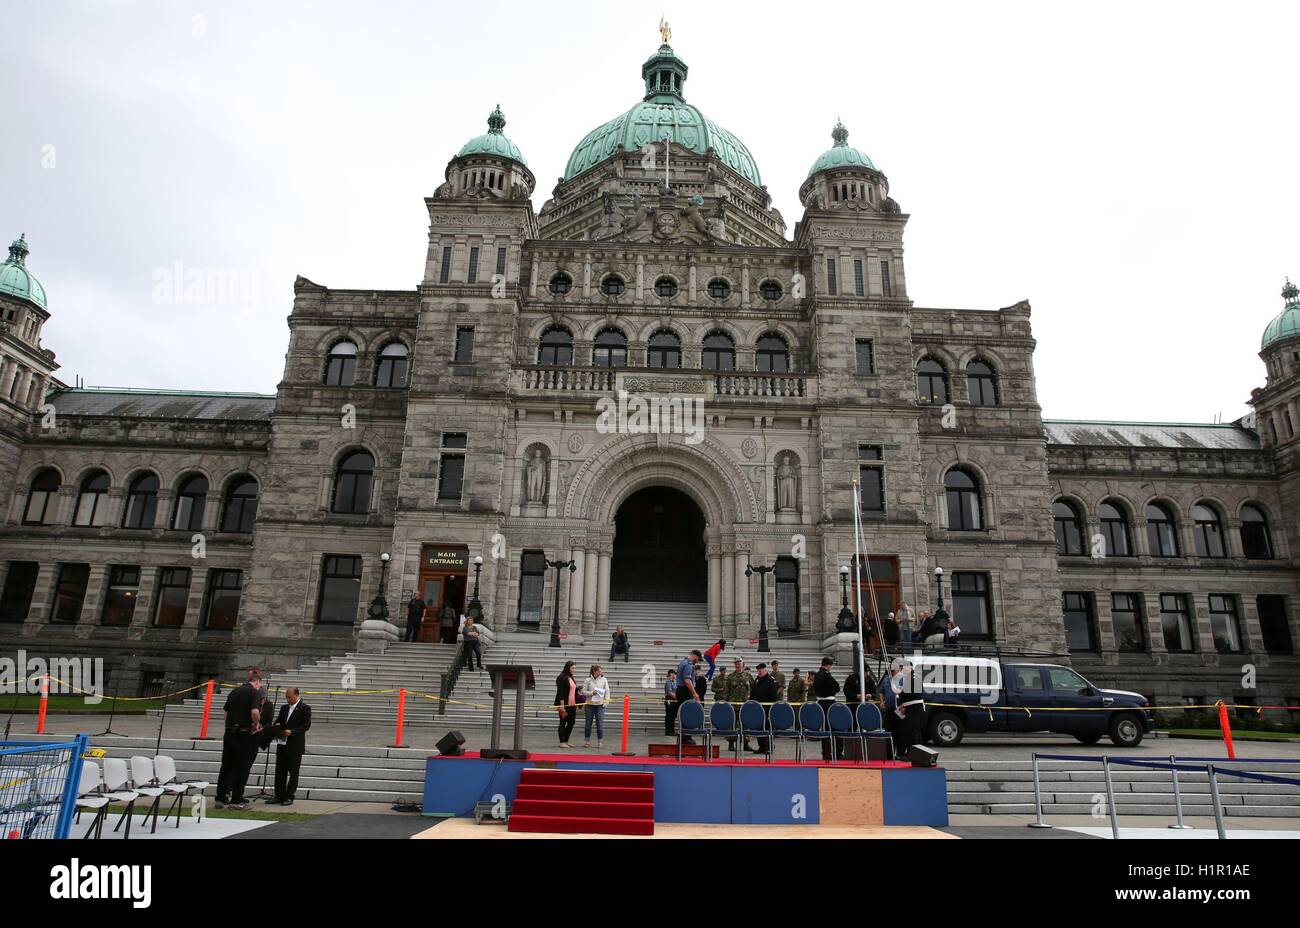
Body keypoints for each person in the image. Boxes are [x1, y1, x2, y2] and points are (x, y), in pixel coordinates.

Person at [215, 667, 262, 809]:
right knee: (242, 767)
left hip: (229, 732)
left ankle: (221, 797)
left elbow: (226, 714)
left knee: (226, 766)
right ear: (257, 682)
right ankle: (236, 799)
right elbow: (254, 712)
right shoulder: (254, 692)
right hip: (244, 733)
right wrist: (256, 724)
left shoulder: (234, 691)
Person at [268, 687, 311, 806]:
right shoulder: (284, 708)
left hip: (295, 745)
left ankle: (289, 796)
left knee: (293, 773)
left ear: (296, 695)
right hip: (282, 744)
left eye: (289, 697)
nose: (287, 699)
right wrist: (274, 729)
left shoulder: (304, 708)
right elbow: (279, 722)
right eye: (286, 696)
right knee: (280, 772)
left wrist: (292, 732)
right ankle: (279, 795)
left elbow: (305, 726)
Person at [812, 657, 840, 760]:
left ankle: (825, 752)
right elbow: (837, 687)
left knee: (824, 728)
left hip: (820, 703)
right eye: (831, 665)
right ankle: (831, 752)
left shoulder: (817, 675)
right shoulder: (826, 675)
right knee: (831, 728)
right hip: (829, 703)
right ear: (827, 665)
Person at [725, 658, 754, 752]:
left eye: (739, 663)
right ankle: (731, 743)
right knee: (732, 724)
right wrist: (726, 702)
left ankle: (746, 744)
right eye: (736, 663)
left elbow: (752, 689)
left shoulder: (748, 676)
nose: (737, 665)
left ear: (743, 664)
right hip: (733, 704)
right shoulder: (730, 677)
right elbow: (727, 691)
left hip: (745, 705)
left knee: (745, 724)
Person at [750, 663, 780, 755]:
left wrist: (771, 709)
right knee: (759, 728)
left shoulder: (771, 680)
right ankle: (761, 747)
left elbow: (774, 696)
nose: (759, 672)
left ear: (765, 670)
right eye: (758, 671)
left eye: (760, 671)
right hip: (758, 709)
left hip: (767, 709)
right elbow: (753, 694)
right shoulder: (757, 680)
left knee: (767, 728)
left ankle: (769, 747)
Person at [675, 651, 702, 743]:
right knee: (686, 714)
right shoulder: (688, 664)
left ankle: (684, 737)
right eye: (698, 659)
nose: (697, 662)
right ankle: (685, 738)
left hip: (681, 690)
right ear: (695, 656)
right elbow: (687, 680)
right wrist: (694, 693)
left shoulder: (683, 662)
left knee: (683, 714)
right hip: (685, 691)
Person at [581, 664, 610, 748]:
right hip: (589, 705)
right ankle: (587, 741)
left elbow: (607, 691)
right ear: (594, 671)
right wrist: (591, 693)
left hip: (600, 705)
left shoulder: (604, 680)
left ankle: (600, 742)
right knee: (588, 723)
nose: (600, 672)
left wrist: (606, 703)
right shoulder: (588, 680)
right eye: (599, 671)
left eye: (601, 671)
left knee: (600, 724)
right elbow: (583, 691)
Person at [555, 661, 578, 748]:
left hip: (572, 704)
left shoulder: (570, 677)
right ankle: (561, 742)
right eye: (572, 668)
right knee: (563, 722)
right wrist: (562, 706)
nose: (574, 670)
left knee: (571, 722)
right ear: (567, 668)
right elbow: (560, 692)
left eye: (575, 668)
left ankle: (566, 741)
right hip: (564, 704)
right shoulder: (561, 677)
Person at [663, 670, 678, 736]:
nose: (675, 676)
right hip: (670, 700)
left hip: (674, 700)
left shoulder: (674, 682)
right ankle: (668, 731)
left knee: (673, 716)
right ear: (671, 674)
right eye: (674, 674)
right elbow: (670, 692)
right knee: (669, 716)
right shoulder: (669, 682)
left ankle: (672, 730)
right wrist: (677, 698)